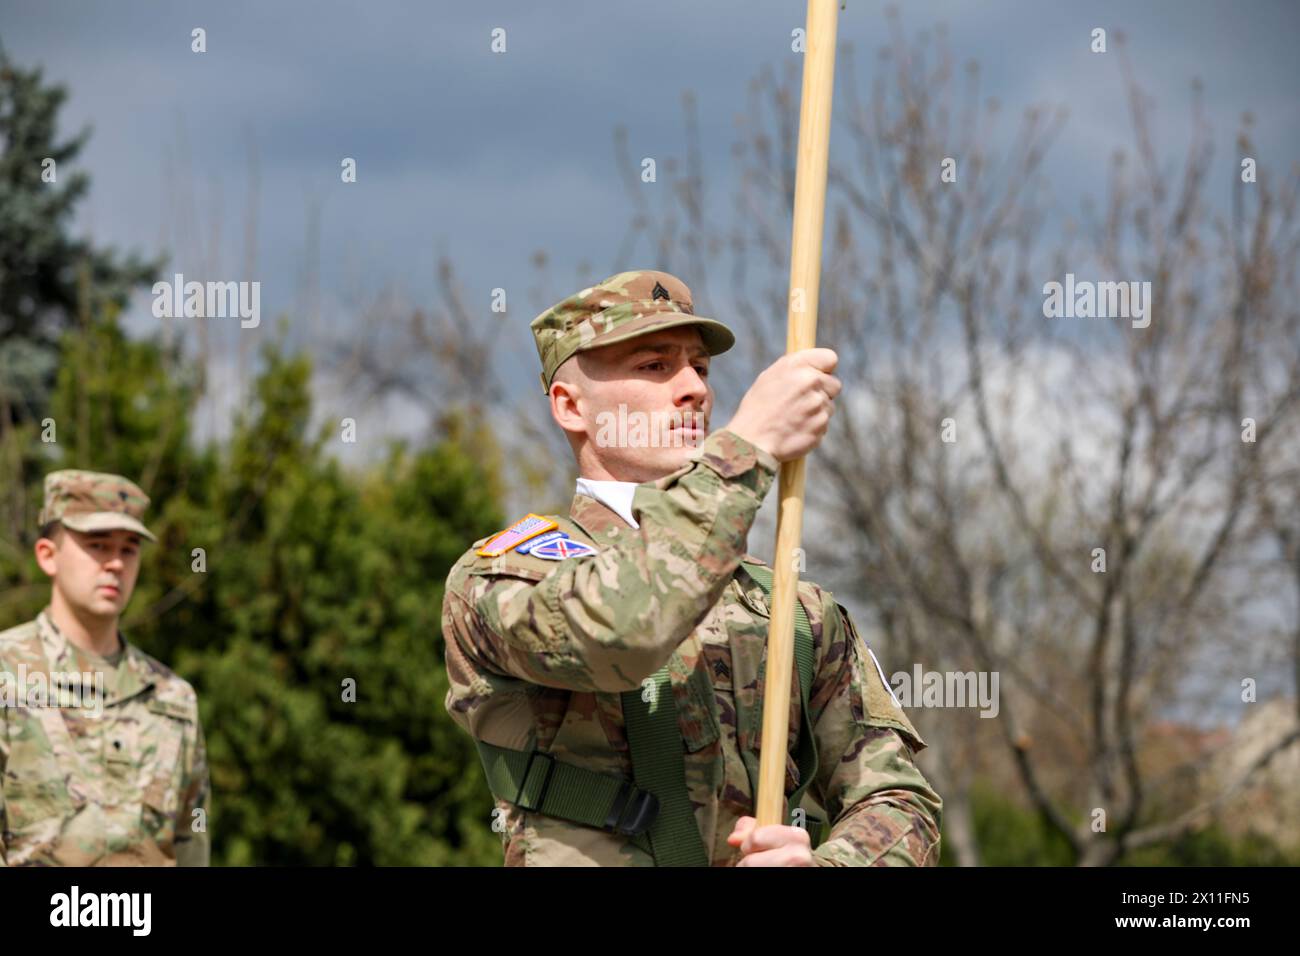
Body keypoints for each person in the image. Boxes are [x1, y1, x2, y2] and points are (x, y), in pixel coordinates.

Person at [441, 270, 941, 866]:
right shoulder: (503, 576)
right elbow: (623, 630)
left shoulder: (792, 608)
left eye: (700, 369)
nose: (694, 390)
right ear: (570, 406)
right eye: (655, 366)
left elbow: (898, 798)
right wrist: (745, 450)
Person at [0, 470, 210, 866]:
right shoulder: (7, 673)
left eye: (129, 549)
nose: (115, 563)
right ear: (48, 555)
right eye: (97, 545)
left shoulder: (173, 698)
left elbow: (191, 845)